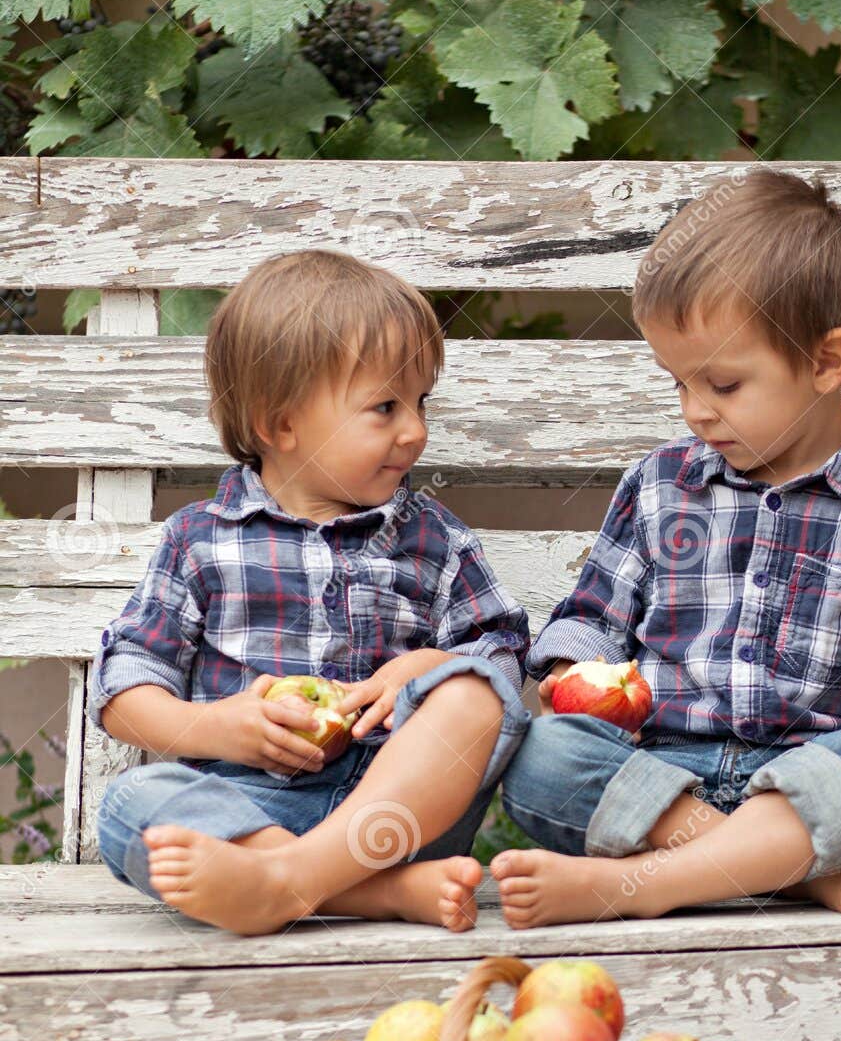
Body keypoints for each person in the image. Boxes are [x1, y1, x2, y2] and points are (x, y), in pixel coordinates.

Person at [491, 168, 841, 928]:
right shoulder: (660, 485)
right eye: (678, 385)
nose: (695, 412)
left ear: (826, 362)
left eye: (722, 385)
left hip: (808, 784)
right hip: (662, 783)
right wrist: (575, 681)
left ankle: (653, 884)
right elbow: (592, 621)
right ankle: (781, 876)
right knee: (539, 756)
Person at [91, 250, 529, 936]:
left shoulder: (434, 538)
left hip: (399, 813)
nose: (414, 430)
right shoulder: (199, 541)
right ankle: (373, 894)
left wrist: (429, 668)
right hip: (248, 810)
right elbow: (124, 692)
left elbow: (500, 658)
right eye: (384, 407)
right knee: (130, 804)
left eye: (419, 403)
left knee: (475, 692)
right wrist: (217, 728)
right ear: (279, 423)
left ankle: (296, 881)